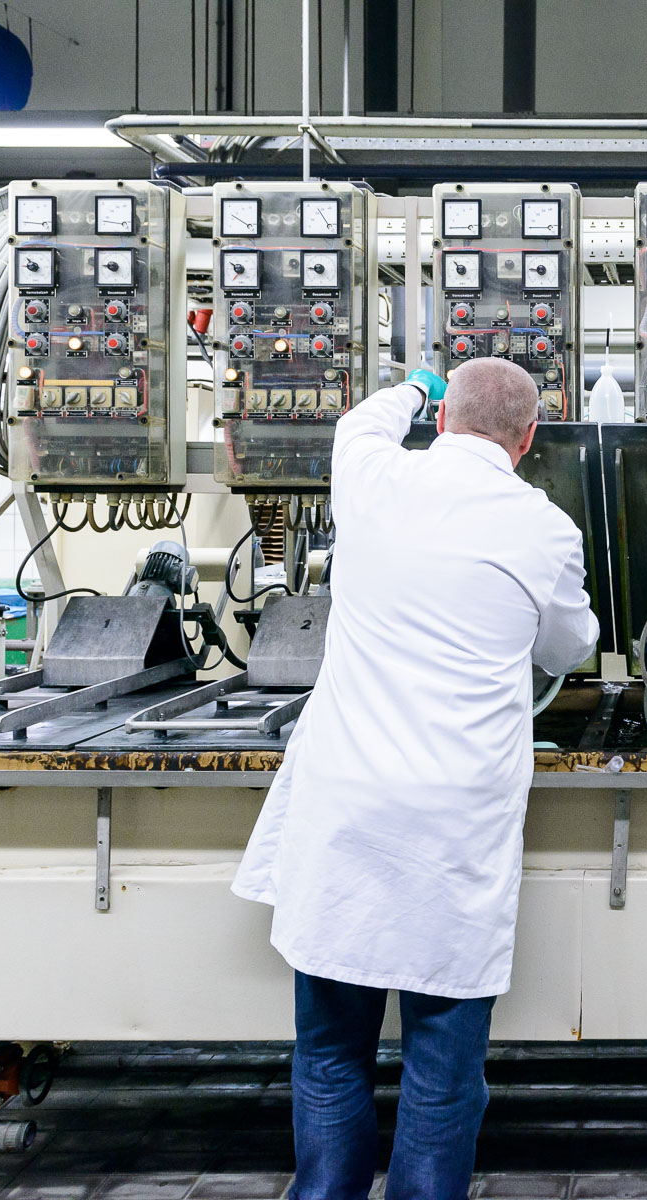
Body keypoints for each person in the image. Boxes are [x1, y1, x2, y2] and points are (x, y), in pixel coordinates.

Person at [233, 357, 601, 1200]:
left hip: (347, 817)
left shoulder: (371, 475)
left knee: (330, 1055)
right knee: (440, 1078)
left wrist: (417, 385)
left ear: (441, 423)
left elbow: (354, 423)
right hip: (453, 835)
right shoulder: (545, 529)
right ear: (529, 440)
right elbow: (569, 648)